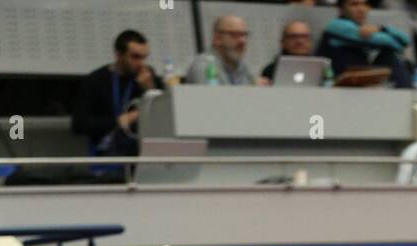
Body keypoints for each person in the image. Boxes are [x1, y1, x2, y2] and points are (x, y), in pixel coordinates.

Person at [72, 29, 164, 158]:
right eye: (135, 57)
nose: (140, 63)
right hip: (106, 152)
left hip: (142, 151)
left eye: (144, 57)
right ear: (118, 55)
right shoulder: (96, 80)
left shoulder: (148, 76)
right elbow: (79, 124)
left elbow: (163, 117)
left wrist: (150, 91)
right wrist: (118, 121)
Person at [317, 0, 414, 87]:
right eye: (354, 4)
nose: (361, 9)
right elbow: (390, 43)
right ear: (341, 9)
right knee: (389, 55)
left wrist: (381, 28)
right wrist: (382, 34)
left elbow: (405, 41)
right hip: (337, 83)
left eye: (365, 4)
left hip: (361, 79)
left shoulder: (367, 29)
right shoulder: (335, 26)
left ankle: (408, 94)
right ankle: (408, 95)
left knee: (389, 56)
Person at [182, 15, 271, 85]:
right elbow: (213, 100)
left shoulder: (244, 68)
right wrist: (251, 90)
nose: (242, 41)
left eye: (244, 35)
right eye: (235, 34)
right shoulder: (203, 66)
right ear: (217, 38)